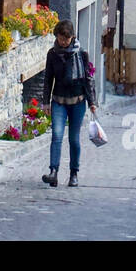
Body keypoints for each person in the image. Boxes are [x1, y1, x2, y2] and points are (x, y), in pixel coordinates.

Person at [40, 20, 96, 188]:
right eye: (61, 38)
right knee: (56, 135)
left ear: (72, 37)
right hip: (58, 101)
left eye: (67, 38)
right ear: (56, 37)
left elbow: (88, 78)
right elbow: (48, 79)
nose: (64, 42)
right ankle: (54, 172)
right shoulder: (52, 54)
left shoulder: (81, 54)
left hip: (78, 101)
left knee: (74, 139)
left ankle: (74, 174)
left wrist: (92, 101)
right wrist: (45, 102)